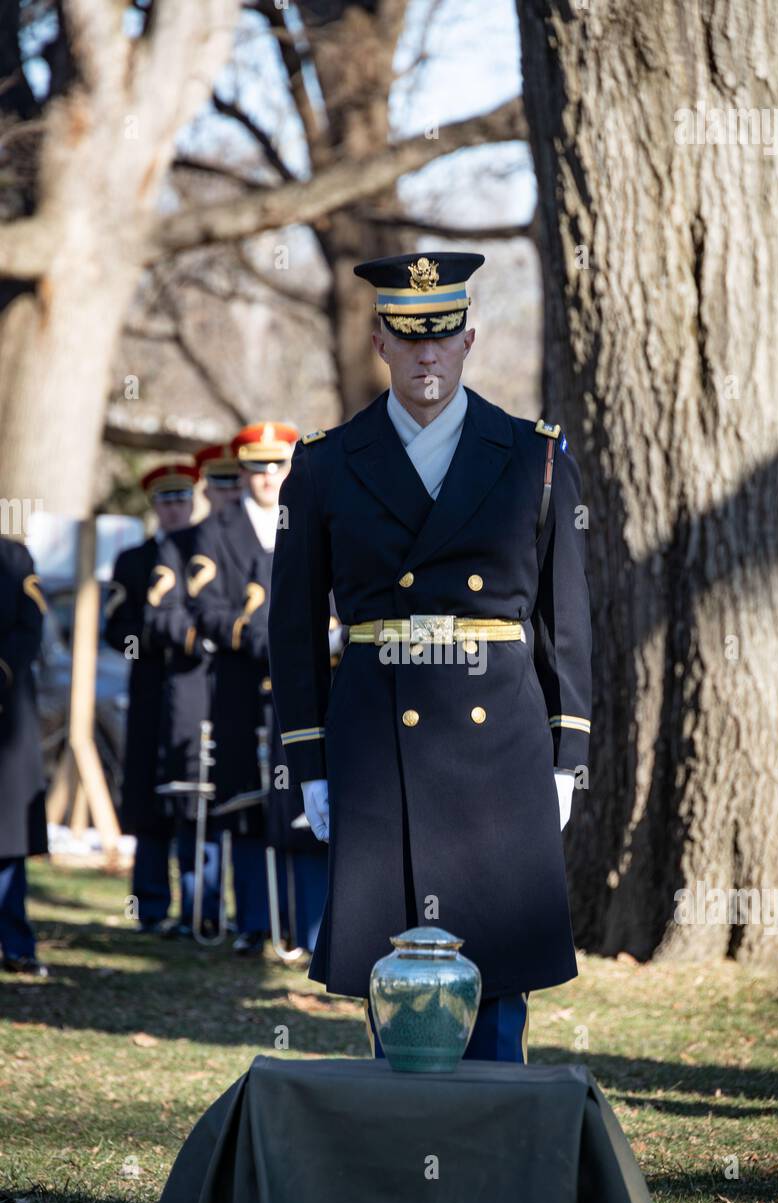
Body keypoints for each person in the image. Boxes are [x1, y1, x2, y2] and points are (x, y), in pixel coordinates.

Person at [268, 251, 592, 1063]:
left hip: (501, 756)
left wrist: (567, 756)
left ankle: (493, 1159)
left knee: (497, 987)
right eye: (408, 338)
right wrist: (308, 763)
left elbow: (567, 623)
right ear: (380, 341)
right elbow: (294, 628)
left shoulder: (535, 459)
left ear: (469, 338)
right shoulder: (325, 466)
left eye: (442, 337)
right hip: (379, 750)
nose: (426, 356)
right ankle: (402, 1165)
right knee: (397, 988)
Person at [185, 421, 327, 959]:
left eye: (278, 464)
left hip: (307, 691)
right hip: (244, 691)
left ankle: (311, 930)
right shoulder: (215, 531)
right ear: (241, 470)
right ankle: (253, 923)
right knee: (245, 808)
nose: (268, 476)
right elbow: (209, 611)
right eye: (256, 466)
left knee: (308, 807)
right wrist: (272, 638)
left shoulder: (314, 519)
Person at [105, 461, 219, 934]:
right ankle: (149, 905)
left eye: (182, 499)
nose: (175, 509)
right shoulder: (134, 560)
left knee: (198, 795)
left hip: (200, 690)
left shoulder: (210, 552)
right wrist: (161, 636)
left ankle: (200, 909)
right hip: (151, 688)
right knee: (148, 795)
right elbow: (116, 627)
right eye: (166, 501)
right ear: (153, 505)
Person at [0, 538, 49, 976]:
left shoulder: (12, 558)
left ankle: (15, 944)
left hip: (6, 711)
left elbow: (31, 625)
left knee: (6, 838)